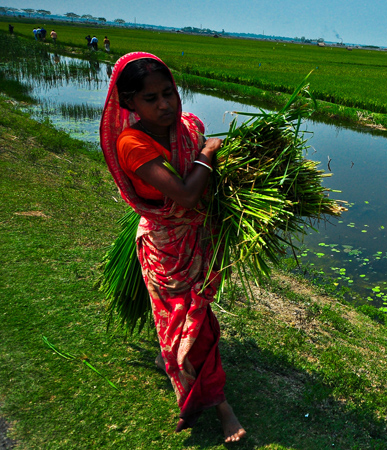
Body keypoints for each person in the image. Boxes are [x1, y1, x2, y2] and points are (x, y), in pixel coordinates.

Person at [99, 52, 246, 443]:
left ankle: (183, 370)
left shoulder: (189, 126)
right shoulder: (132, 143)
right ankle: (221, 406)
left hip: (199, 238)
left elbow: (206, 184)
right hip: (165, 247)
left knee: (196, 316)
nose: (165, 104)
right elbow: (184, 194)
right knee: (192, 325)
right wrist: (208, 153)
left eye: (169, 93)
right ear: (129, 102)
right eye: (151, 98)